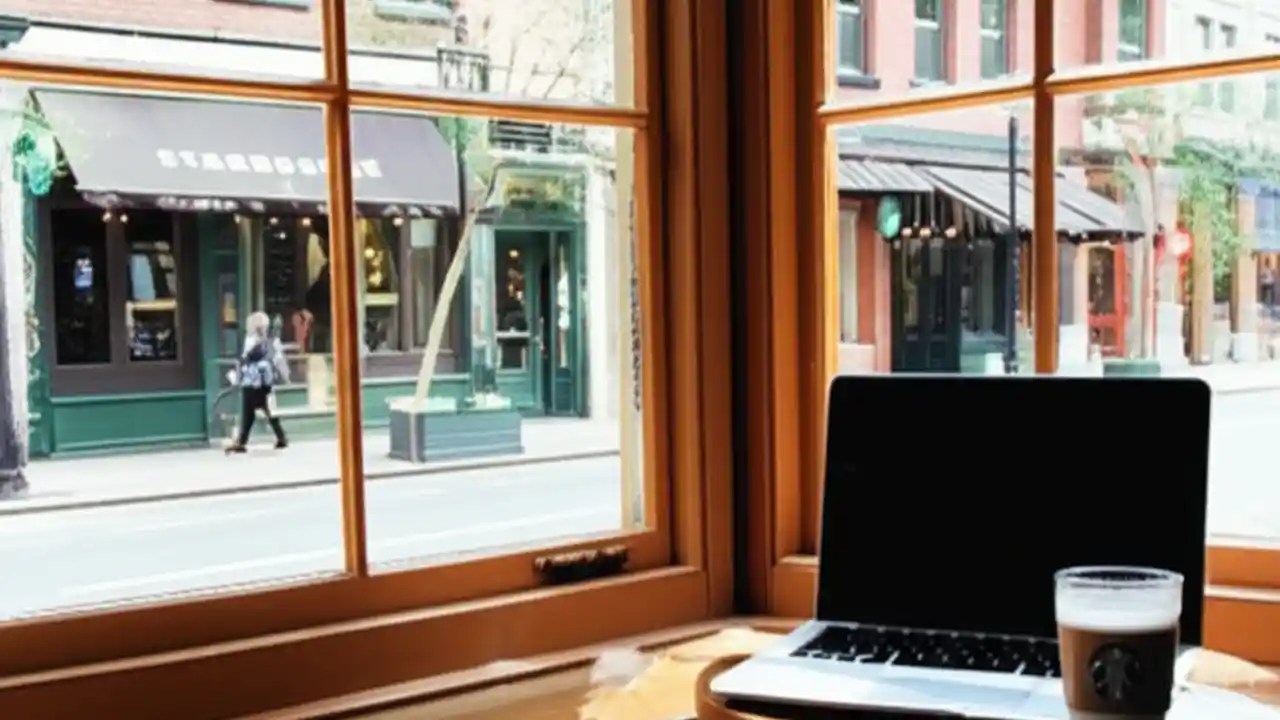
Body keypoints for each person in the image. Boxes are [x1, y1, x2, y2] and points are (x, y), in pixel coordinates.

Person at [226, 311, 289, 454]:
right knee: (269, 410)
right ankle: (281, 437)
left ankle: (242, 441)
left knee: (248, 412)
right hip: (266, 380)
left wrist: (237, 375)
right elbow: (279, 360)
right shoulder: (273, 340)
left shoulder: (250, 340)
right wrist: (285, 376)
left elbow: (243, 359)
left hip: (251, 381)